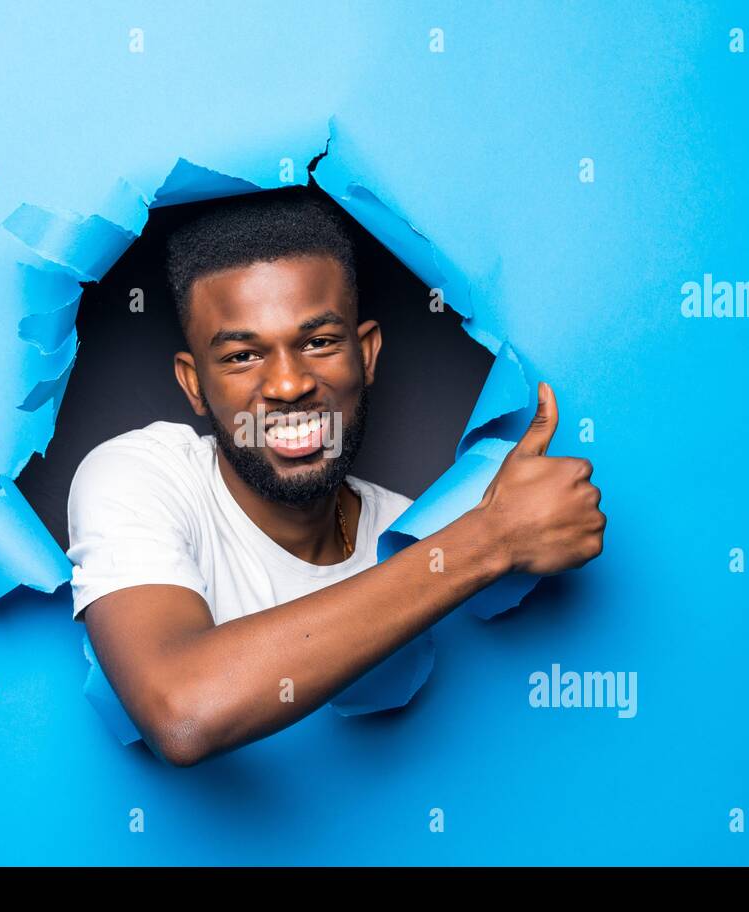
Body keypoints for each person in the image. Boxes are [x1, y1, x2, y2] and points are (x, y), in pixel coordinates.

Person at [66, 189, 605, 767]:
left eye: (318, 343)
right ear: (194, 384)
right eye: (243, 355)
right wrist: (491, 539)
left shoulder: (408, 533)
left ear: (366, 355)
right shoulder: (140, 476)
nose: (289, 385)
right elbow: (183, 714)